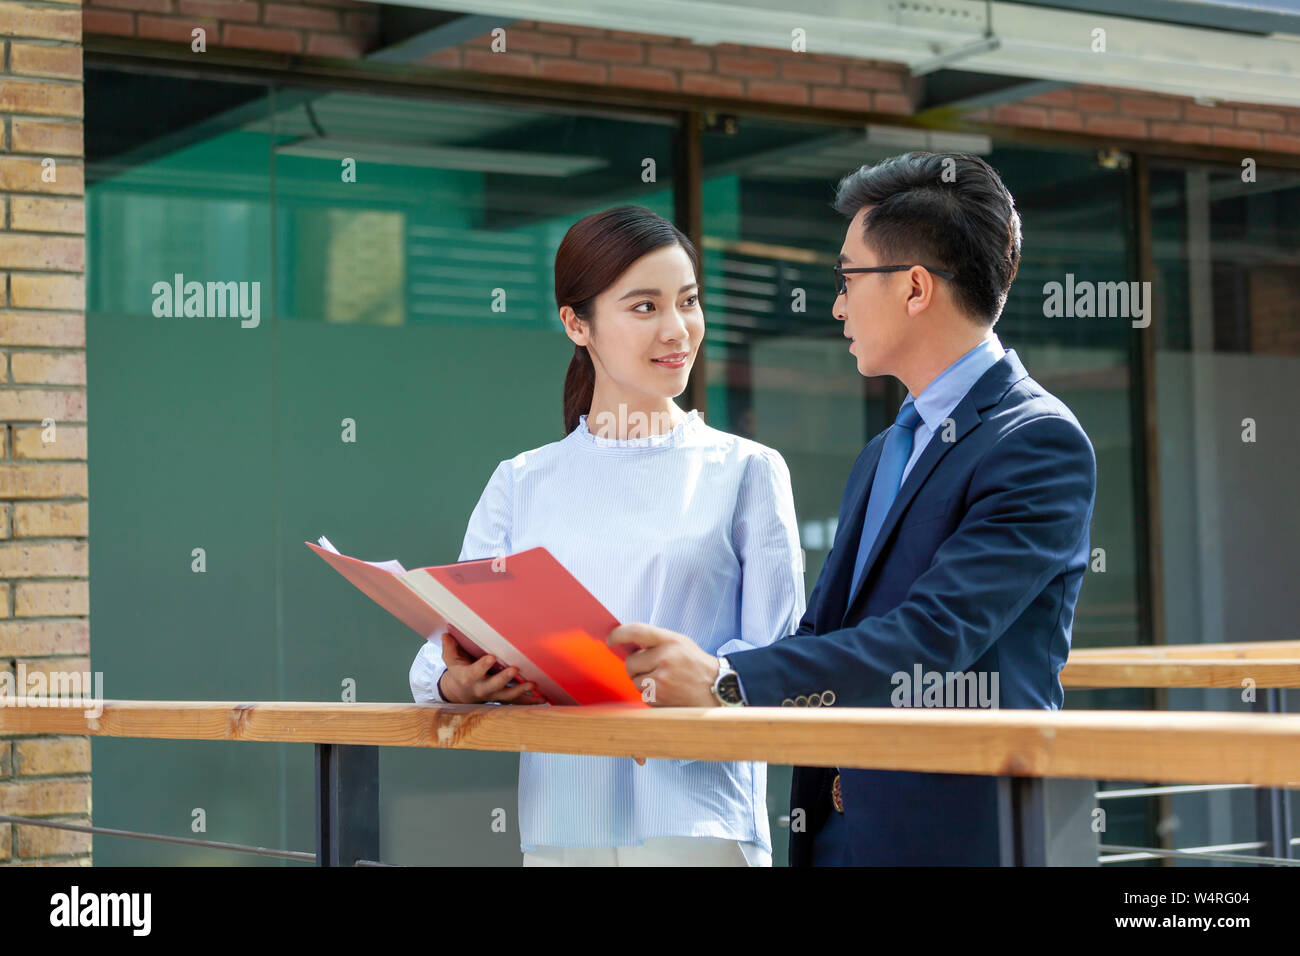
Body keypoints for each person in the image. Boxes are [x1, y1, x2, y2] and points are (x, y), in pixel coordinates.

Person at [608, 152, 1098, 866]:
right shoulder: (886, 451)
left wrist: (725, 682)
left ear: (915, 288)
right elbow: (825, 629)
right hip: (839, 830)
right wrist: (695, 684)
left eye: (847, 278)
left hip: (954, 840)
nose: (837, 304)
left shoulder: (1037, 442)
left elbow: (928, 641)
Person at [409, 205, 806, 866]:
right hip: (564, 819)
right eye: (644, 307)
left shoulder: (747, 471)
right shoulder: (523, 481)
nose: (678, 329)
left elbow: (780, 658)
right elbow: (441, 647)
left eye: (688, 301)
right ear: (576, 323)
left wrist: (706, 676)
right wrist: (462, 685)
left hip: (698, 822)